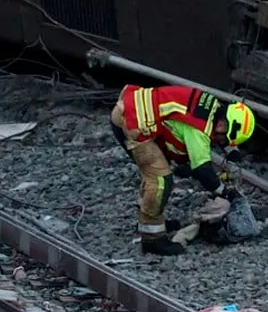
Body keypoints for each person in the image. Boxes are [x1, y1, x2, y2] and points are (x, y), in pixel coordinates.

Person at [110, 84, 256, 255]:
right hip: (132, 123)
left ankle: (150, 221)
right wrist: (225, 192)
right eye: (223, 140)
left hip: (131, 110)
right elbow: (202, 170)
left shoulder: (212, 108)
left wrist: (231, 151)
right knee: (160, 180)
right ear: (222, 127)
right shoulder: (199, 129)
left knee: (155, 172)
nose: (219, 142)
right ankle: (152, 240)